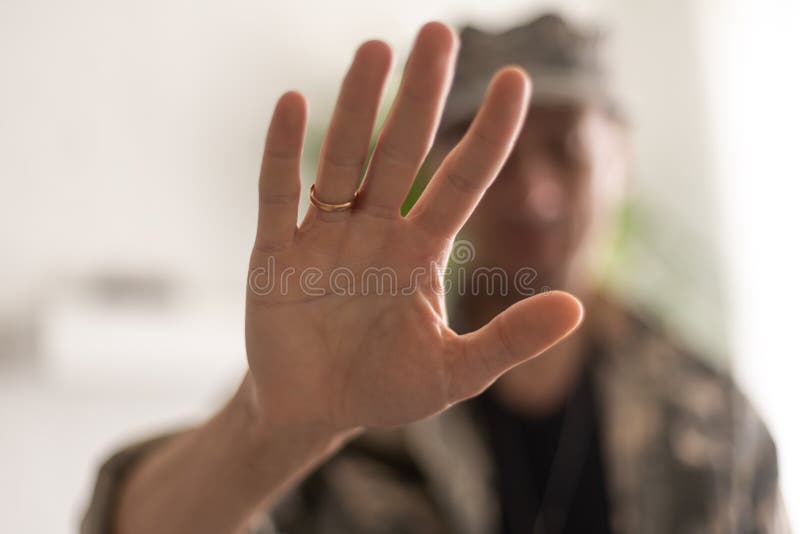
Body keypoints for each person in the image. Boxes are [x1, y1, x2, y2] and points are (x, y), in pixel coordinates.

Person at [81, 14, 790, 534]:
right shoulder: (353, 364)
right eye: (495, 155)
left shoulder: (710, 415)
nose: (533, 192)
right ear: (432, 174)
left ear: (621, 166)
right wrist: (274, 434)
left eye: (567, 149)